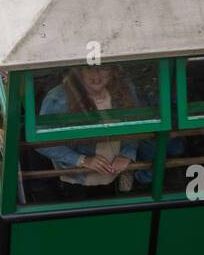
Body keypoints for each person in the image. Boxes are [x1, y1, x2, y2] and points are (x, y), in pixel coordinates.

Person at [37, 65, 140, 193]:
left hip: (114, 177)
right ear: (79, 71)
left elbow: (135, 124)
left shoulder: (125, 90)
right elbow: (41, 141)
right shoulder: (58, 98)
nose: (96, 75)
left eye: (104, 68)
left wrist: (126, 154)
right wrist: (81, 160)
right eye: (89, 68)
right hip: (76, 181)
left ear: (113, 71)